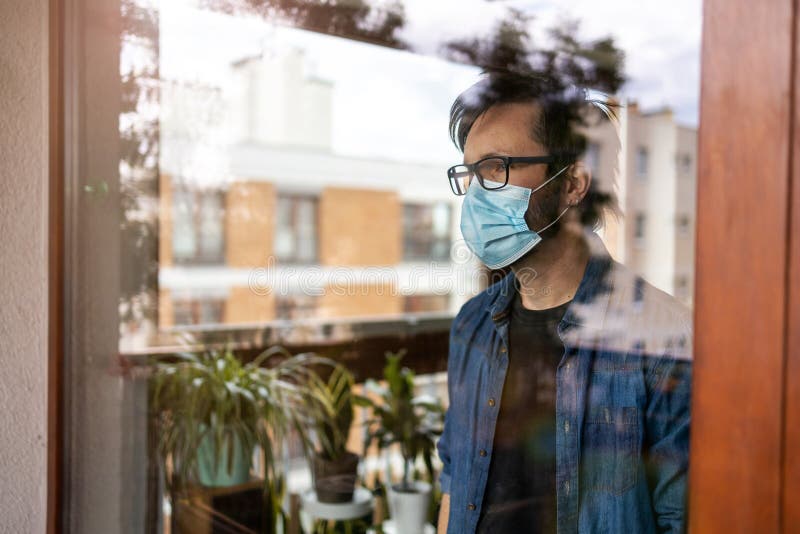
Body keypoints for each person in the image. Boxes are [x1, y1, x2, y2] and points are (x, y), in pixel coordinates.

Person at [436, 71, 693, 534]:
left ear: (573, 183)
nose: (476, 194)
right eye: (470, 173)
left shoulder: (665, 337)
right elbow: (454, 487)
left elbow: (684, 518)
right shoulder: (471, 325)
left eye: (496, 168)